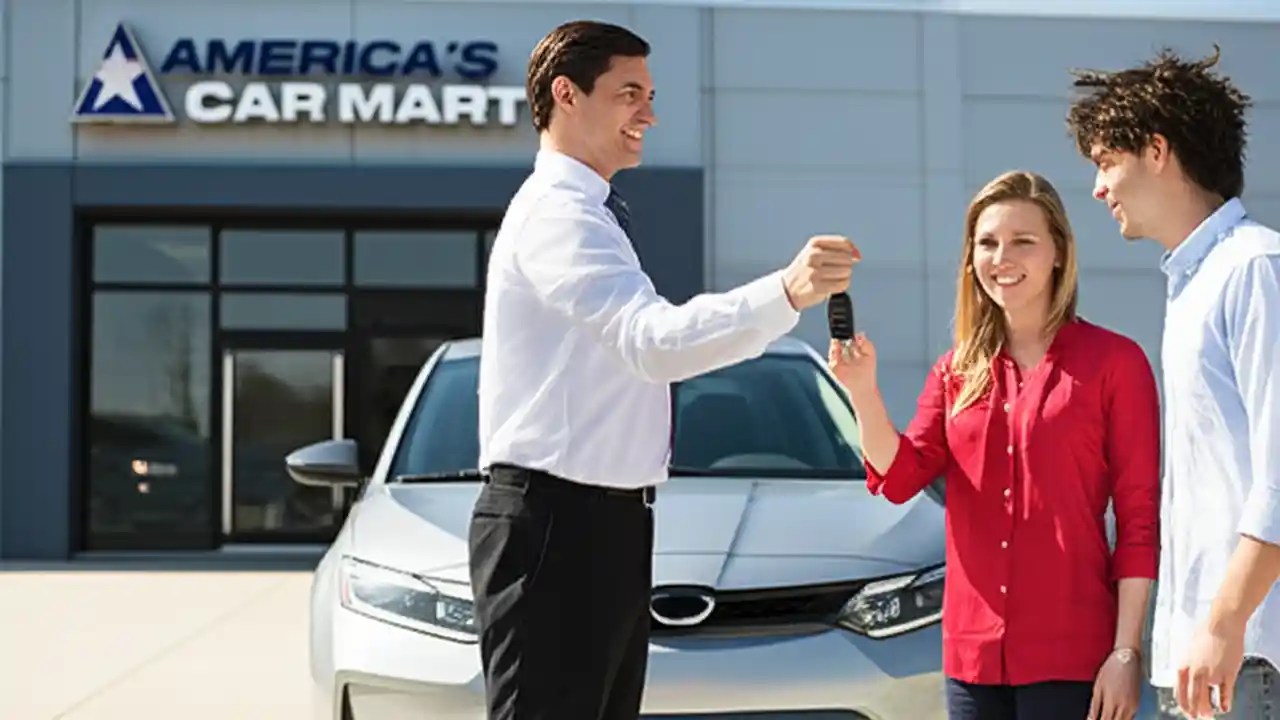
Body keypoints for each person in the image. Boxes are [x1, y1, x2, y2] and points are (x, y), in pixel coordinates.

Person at [469, 19, 859, 720]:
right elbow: (653, 343)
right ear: (567, 94)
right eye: (629, 94)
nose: (649, 113)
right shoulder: (560, 216)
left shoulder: (588, 213)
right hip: (558, 529)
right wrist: (788, 292)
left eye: (649, 94)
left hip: (597, 526)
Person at [828, 170, 1161, 720]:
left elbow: (1138, 519)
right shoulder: (955, 372)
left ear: (1059, 253)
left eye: (1022, 241)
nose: (1001, 257)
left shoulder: (1116, 365)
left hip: (1072, 655)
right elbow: (902, 477)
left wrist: (1127, 650)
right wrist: (863, 393)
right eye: (987, 243)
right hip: (973, 660)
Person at [1066, 46, 1280, 719]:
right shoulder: (1194, 283)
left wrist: (1223, 622)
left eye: (1106, 163)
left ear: (1156, 150)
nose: (1098, 189)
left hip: (1247, 655)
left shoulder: (1256, 268)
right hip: (1203, 657)